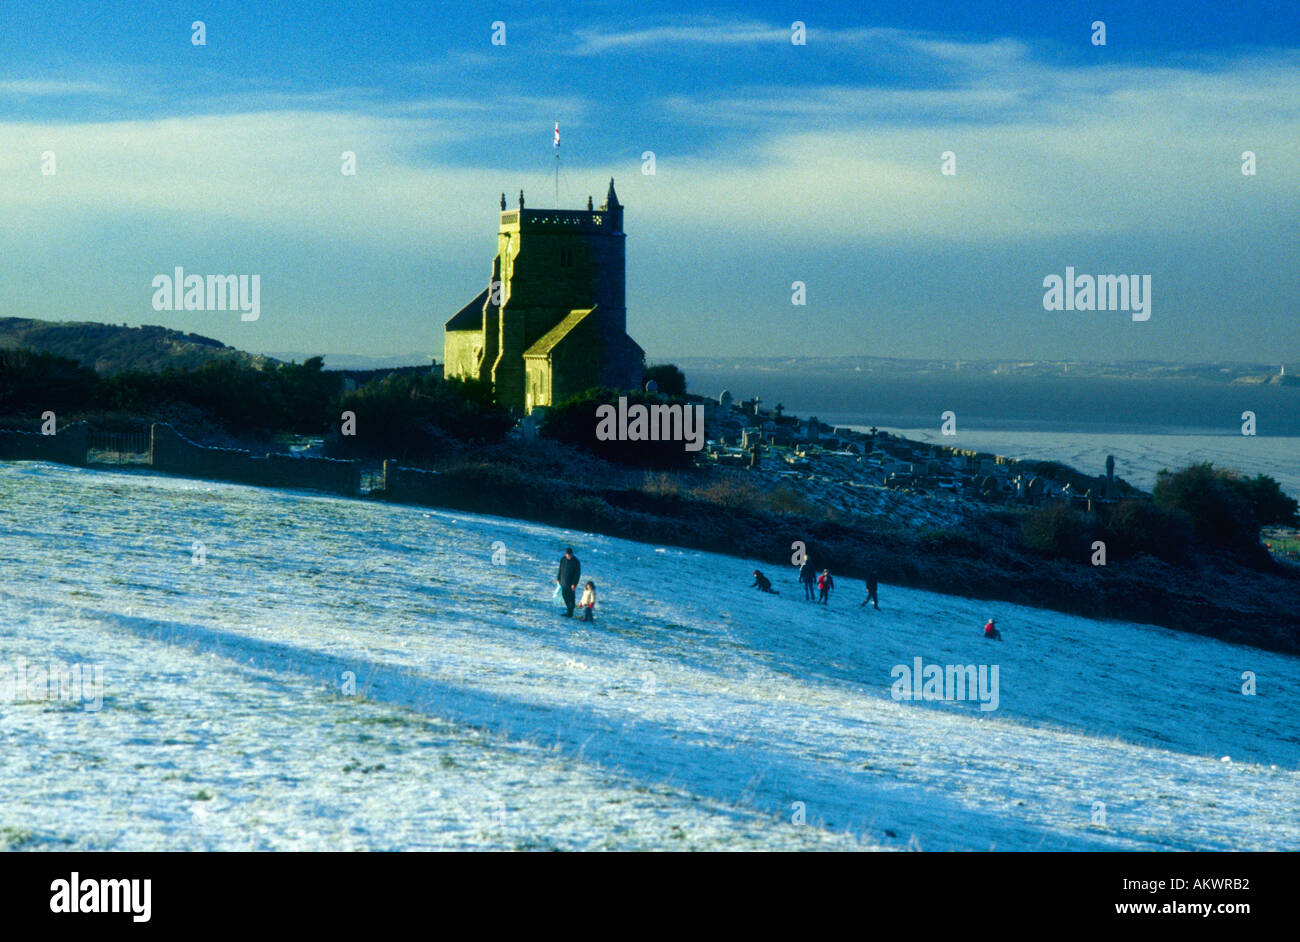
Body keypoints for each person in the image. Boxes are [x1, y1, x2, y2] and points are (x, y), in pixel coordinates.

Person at [556, 547, 581, 617]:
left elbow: (577, 574)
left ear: (572, 554)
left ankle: (570, 612)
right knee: (564, 596)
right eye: (567, 555)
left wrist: (574, 584)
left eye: (569, 555)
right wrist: (558, 578)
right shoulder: (563, 559)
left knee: (571, 598)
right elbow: (560, 569)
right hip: (563, 581)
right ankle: (569, 609)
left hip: (571, 584)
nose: (568, 556)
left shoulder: (576, 562)